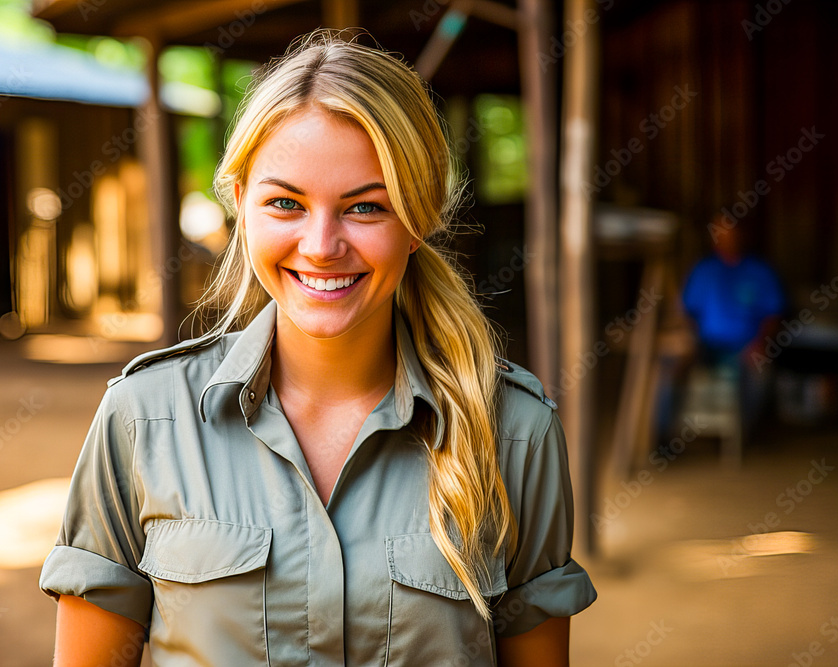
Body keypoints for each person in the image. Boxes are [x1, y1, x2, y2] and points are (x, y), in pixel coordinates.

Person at [39, 31, 596, 666]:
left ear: (417, 221)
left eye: (364, 208)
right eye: (285, 203)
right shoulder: (142, 419)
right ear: (241, 206)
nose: (322, 245)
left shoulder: (515, 431)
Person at [679, 217, 785, 434]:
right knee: (671, 368)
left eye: (731, 233)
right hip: (707, 346)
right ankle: (676, 434)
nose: (725, 239)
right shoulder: (703, 270)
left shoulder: (760, 271)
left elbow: (774, 315)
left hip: (747, 346)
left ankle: (742, 432)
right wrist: (690, 341)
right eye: (720, 233)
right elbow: (688, 312)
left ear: (742, 235)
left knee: (759, 372)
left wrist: (760, 343)